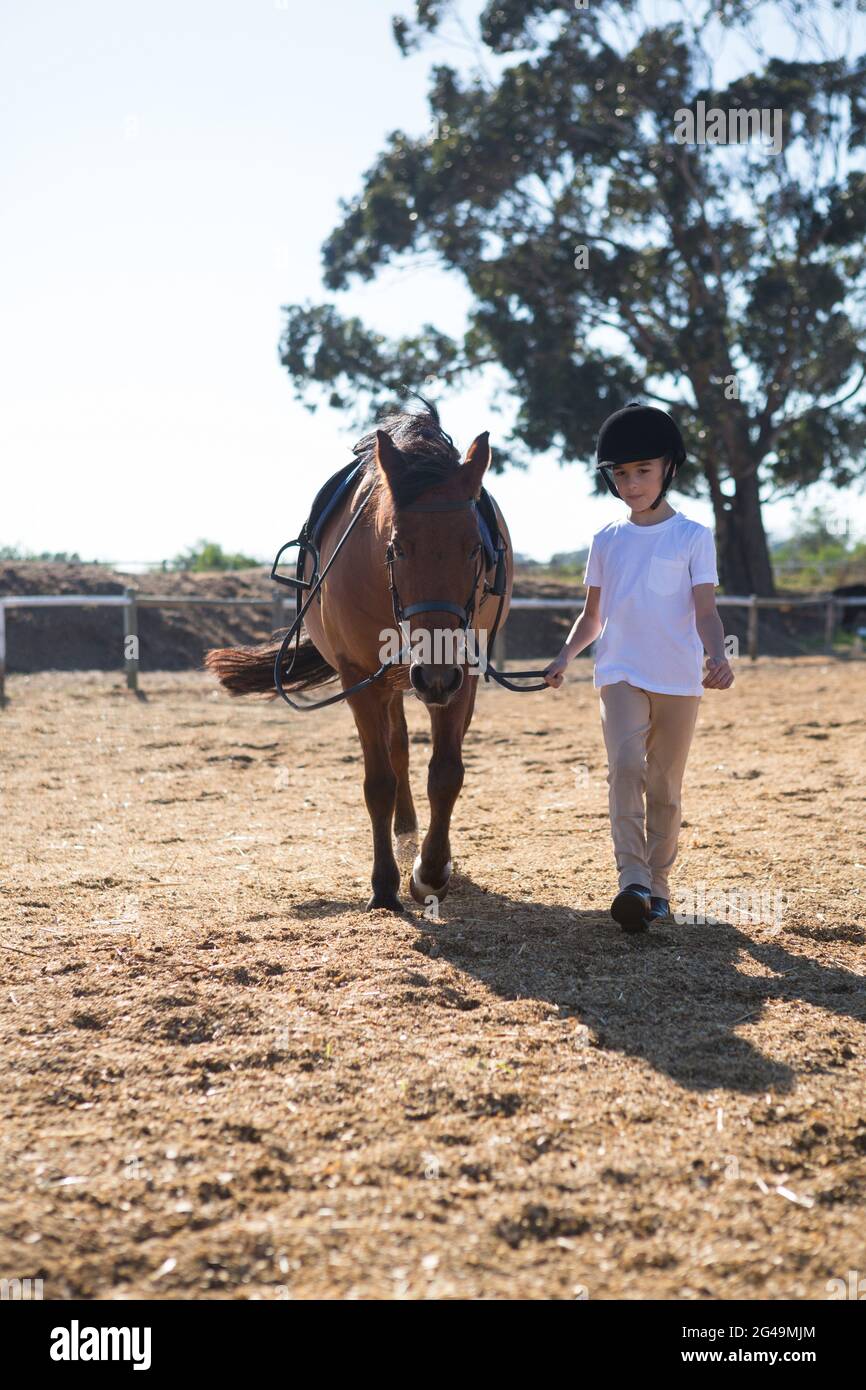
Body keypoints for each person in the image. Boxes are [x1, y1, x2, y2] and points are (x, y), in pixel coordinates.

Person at [543, 402, 734, 933]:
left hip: (677, 677)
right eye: (621, 474)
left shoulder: (693, 536)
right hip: (620, 672)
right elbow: (592, 615)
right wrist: (563, 658)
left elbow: (706, 611)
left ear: (668, 468)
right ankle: (633, 880)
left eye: (642, 471)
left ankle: (660, 889)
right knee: (626, 768)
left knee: (665, 785)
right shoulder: (607, 540)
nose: (631, 483)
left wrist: (717, 656)